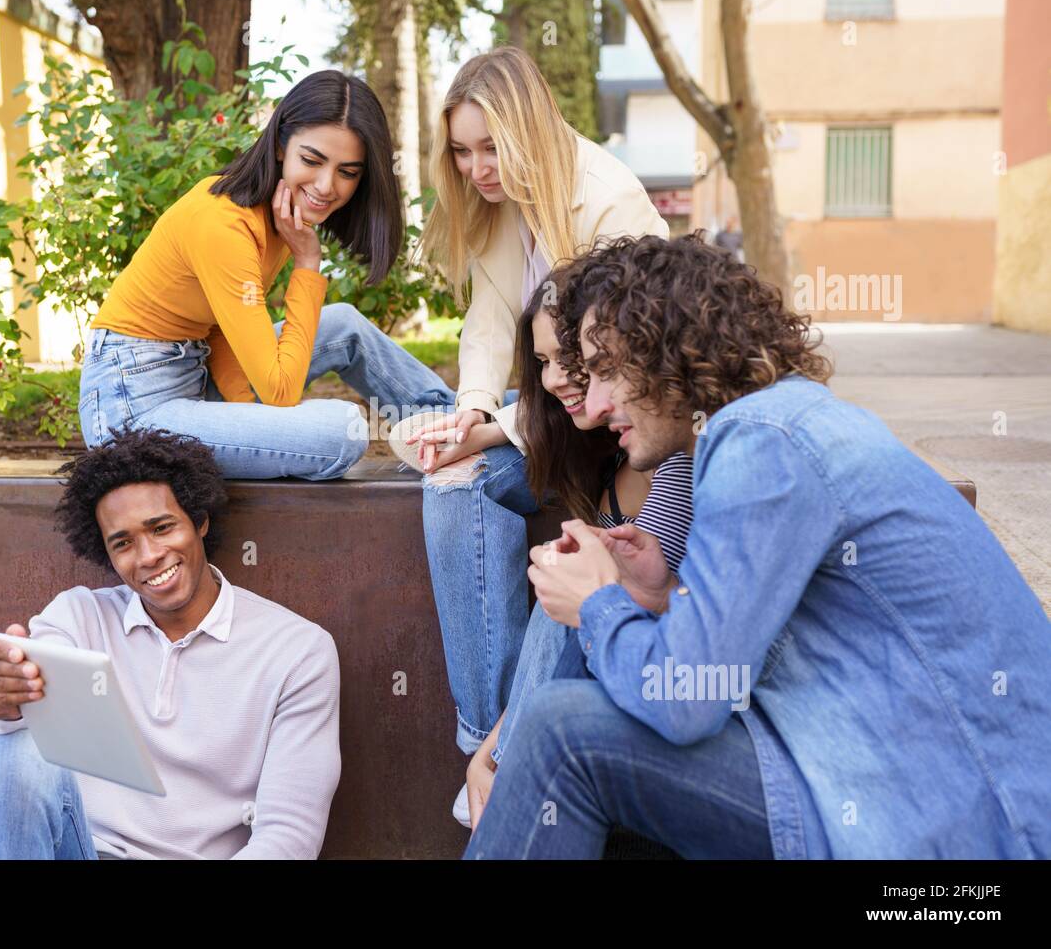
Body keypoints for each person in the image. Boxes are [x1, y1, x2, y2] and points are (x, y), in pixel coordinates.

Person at [468, 232, 1051, 859]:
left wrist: (601, 605)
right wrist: (658, 595)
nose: (598, 399)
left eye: (608, 368)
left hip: (966, 833)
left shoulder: (762, 441)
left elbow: (688, 698)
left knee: (563, 734)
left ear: (672, 346)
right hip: (886, 778)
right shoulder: (778, 423)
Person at [385, 46, 668, 774]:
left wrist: (491, 427)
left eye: (490, 147)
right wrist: (469, 414)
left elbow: (618, 373)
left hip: (620, 432)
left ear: (529, 130)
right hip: (550, 419)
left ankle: (505, 763)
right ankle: (486, 745)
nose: (477, 169)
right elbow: (488, 321)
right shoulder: (504, 205)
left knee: (537, 547)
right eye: (462, 152)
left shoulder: (608, 197)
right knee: (450, 483)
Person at [0, 427, 341, 859]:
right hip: (81, 851)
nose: (148, 556)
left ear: (199, 520)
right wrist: (0, 698)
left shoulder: (297, 651)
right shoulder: (79, 618)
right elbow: (3, 747)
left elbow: (289, 839)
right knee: (14, 752)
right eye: (123, 543)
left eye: (161, 528)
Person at [79, 69, 454, 481]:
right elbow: (279, 389)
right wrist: (308, 264)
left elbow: (220, 331)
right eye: (312, 160)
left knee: (344, 324)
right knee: (341, 432)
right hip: (133, 408)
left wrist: (248, 411)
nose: (327, 186)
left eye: (348, 172)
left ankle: (452, 421)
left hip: (192, 376)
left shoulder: (275, 216)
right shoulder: (225, 224)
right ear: (279, 146)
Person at [449, 272, 694, 830]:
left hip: (659, 692)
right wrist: (487, 752)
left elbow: (605, 607)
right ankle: (501, 753)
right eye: (540, 362)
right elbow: (571, 623)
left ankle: (510, 764)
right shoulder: (605, 459)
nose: (555, 377)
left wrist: (499, 756)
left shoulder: (675, 458)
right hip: (589, 683)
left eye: (572, 358)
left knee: (572, 567)